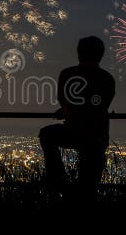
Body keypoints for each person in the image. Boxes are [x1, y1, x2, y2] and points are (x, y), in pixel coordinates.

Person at [39, 36, 116, 198]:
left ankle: (59, 182)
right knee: (88, 189)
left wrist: (66, 110)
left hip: (73, 131)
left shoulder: (68, 74)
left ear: (79, 53)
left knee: (46, 134)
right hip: (97, 137)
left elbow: (64, 100)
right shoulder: (107, 78)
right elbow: (102, 106)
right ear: (100, 55)